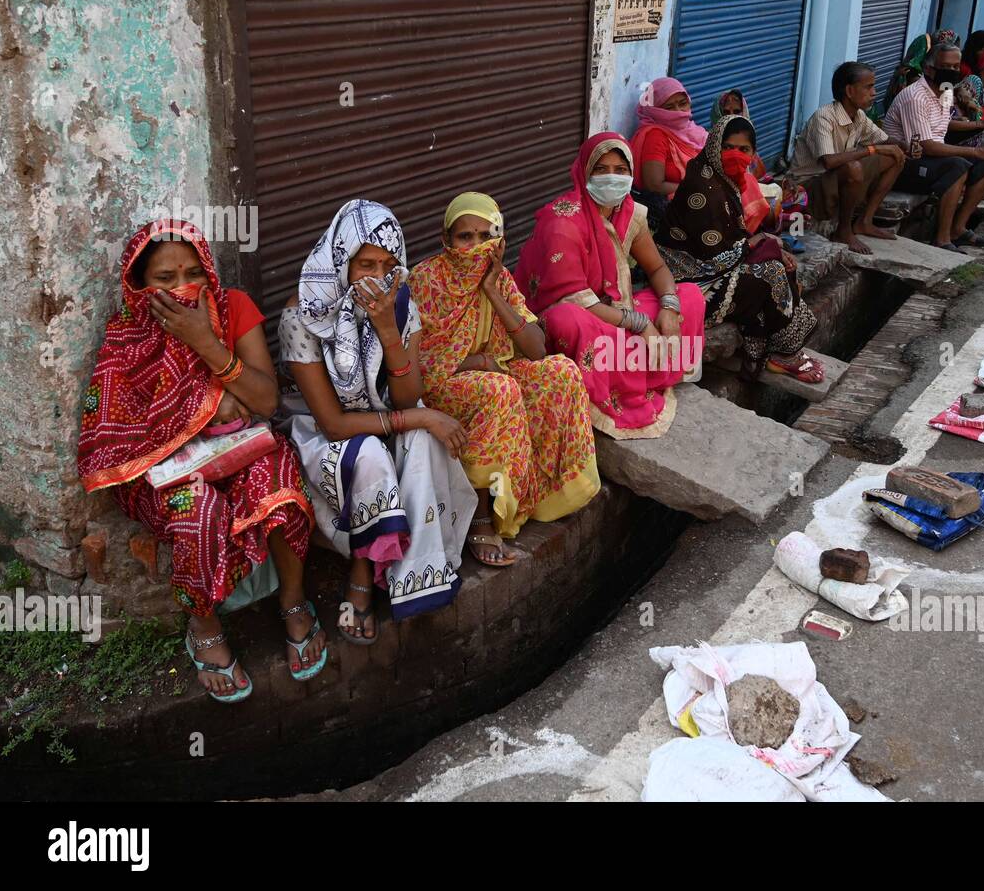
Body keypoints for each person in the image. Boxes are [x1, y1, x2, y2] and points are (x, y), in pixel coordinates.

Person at [78, 220, 318, 702]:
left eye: (193, 274)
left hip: (239, 448)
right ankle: (203, 623)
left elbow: (267, 401)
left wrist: (206, 343)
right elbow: (122, 433)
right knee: (197, 510)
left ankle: (293, 601)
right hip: (165, 469)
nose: (181, 287)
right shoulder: (128, 334)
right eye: (165, 279)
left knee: (280, 483)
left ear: (209, 272)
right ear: (141, 285)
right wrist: (204, 408)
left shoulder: (234, 309)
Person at [277, 200, 476, 639]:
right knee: (370, 452)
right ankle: (362, 571)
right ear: (341, 261)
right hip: (321, 433)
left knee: (424, 441)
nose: (376, 276)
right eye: (364, 264)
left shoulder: (400, 304)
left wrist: (387, 329)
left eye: (388, 264)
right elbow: (332, 423)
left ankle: (417, 575)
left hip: (385, 414)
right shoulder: (301, 314)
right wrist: (420, 417)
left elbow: (407, 392)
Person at [407, 194, 599, 567]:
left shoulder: (499, 279)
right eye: (465, 237)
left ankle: (538, 494)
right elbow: (422, 365)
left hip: (493, 371)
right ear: (447, 240)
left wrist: (493, 292)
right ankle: (481, 516)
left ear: (500, 240)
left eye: (485, 236)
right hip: (440, 386)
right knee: (500, 389)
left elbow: (536, 349)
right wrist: (476, 361)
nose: (476, 246)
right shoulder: (426, 280)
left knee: (560, 373)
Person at [515, 132, 706, 440]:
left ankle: (643, 375)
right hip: (577, 315)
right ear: (584, 171)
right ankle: (613, 386)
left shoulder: (630, 214)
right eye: (601, 169)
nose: (611, 178)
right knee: (569, 321)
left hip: (617, 312)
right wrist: (640, 322)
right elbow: (577, 302)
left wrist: (669, 307)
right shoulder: (562, 221)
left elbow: (657, 268)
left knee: (691, 297)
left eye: (620, 170)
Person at [657, 114, 823, 384]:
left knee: (776, 263)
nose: (736, 154)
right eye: (728, 147)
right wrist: (762, 244)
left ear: (753, 153)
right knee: (770, 273)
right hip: (692, 280)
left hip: (716, 267)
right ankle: (784, 354)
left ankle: (778, 349)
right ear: (714, 147)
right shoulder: (701, 186)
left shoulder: (726, 180)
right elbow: (715, 256)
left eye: (744, 150)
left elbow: (732, 236)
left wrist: (769, 246)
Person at [882, 42, 984, 251]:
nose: (952, 71)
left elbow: (942, 122)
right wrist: (976, 151)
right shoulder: (915, 97)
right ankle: (941, 239)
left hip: (931, 154)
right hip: (904, 161)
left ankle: (957, 228)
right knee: (957, 166)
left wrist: (980, 124)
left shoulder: (945, 90)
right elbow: (926, 146)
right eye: (947, 66)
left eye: (955, 67)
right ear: (929, 69)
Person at [786, 61, 909, 255]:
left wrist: (906, 146)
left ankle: (864, 221)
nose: (874, 92)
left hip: (831, 182)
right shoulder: (824, 117)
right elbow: (829, 161)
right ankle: (843, 231)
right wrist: (871, 150)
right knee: (853, 168)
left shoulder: (858, 116)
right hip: (807, 190)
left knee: (896, 156)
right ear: (850, 91)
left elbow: (886, 141)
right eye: (868, 87)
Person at [629, 77, 708, 232]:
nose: (678, 111)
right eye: (669, 107)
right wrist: (697, 189)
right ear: (655, 109)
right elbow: (654, 184)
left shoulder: (694, 131)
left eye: (682, 103)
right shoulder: (656, 136)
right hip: (679, 200)